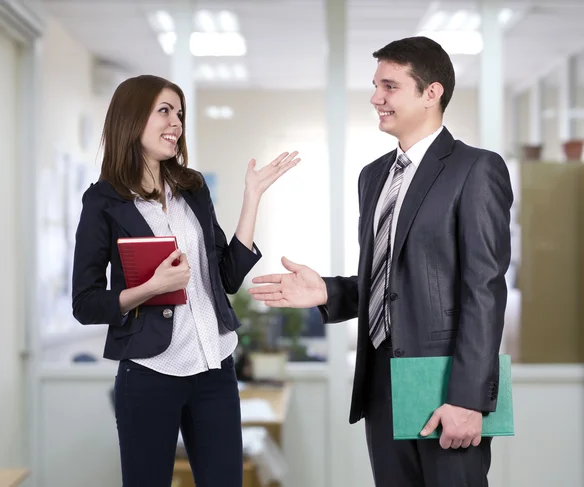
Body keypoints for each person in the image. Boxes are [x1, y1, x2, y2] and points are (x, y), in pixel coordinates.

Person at [249, 36, 513, 487]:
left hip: (445, 386)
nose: (376, 98)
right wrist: (330, 292)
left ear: (432, 93)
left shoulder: (476, 169)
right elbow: (394, 280)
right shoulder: (373, 177)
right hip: (382, 383)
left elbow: (483, 288)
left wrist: (469, 400)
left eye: (389, 86)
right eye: (375, 86)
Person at [71, 74, 299, 487]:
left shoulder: (191, 188)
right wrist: (151, 287)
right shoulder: (103, 201)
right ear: (132, 118)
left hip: (214, 369)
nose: (176, 122)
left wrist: (252, 197)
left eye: (180, 113)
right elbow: (85, 303)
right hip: (149, 372)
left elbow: (226, 276)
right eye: (164, 111)